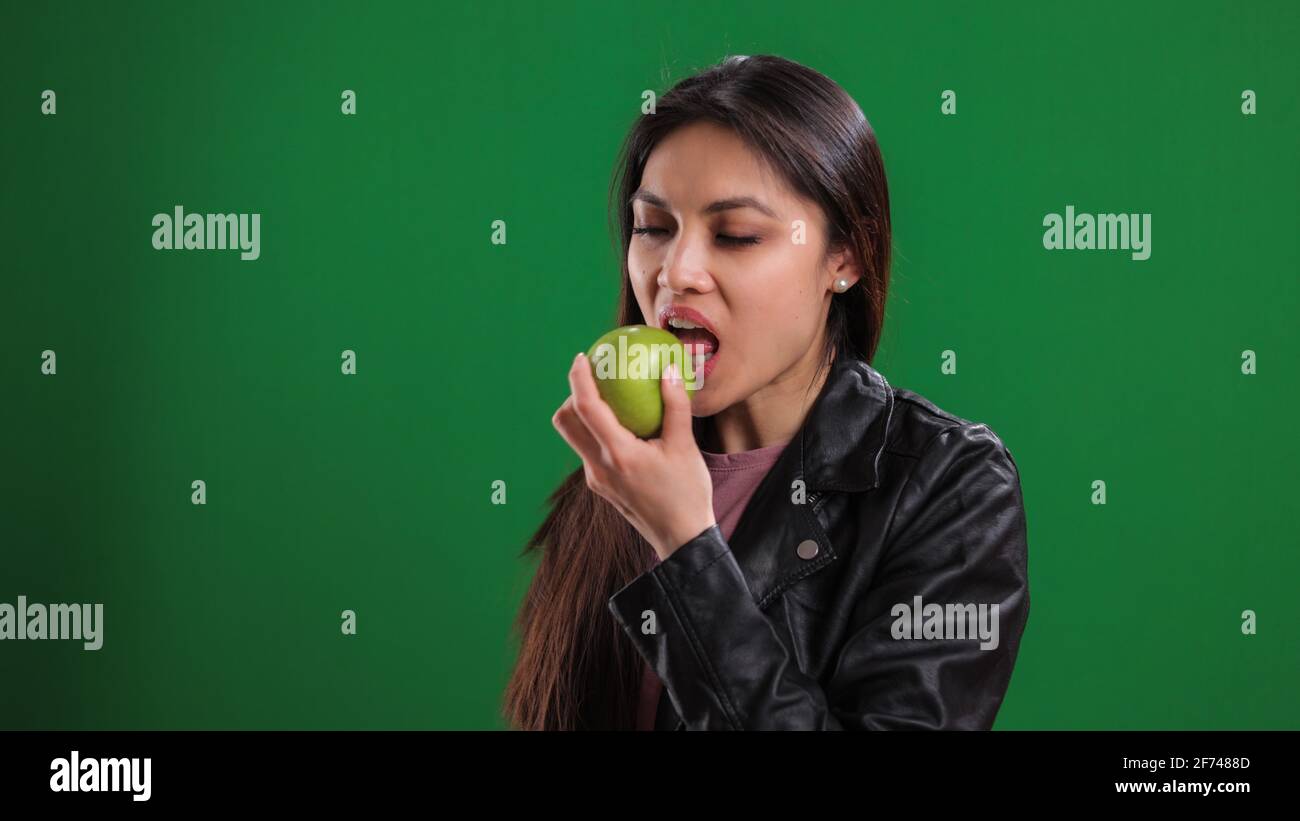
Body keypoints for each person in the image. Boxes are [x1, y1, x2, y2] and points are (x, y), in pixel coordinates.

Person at [504, 54, 1030, 730]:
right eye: (654, 227)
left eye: (737, 235)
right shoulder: (616, 476)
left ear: (845, 258)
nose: (677, 272)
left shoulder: (949, 486)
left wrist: (685, 544)